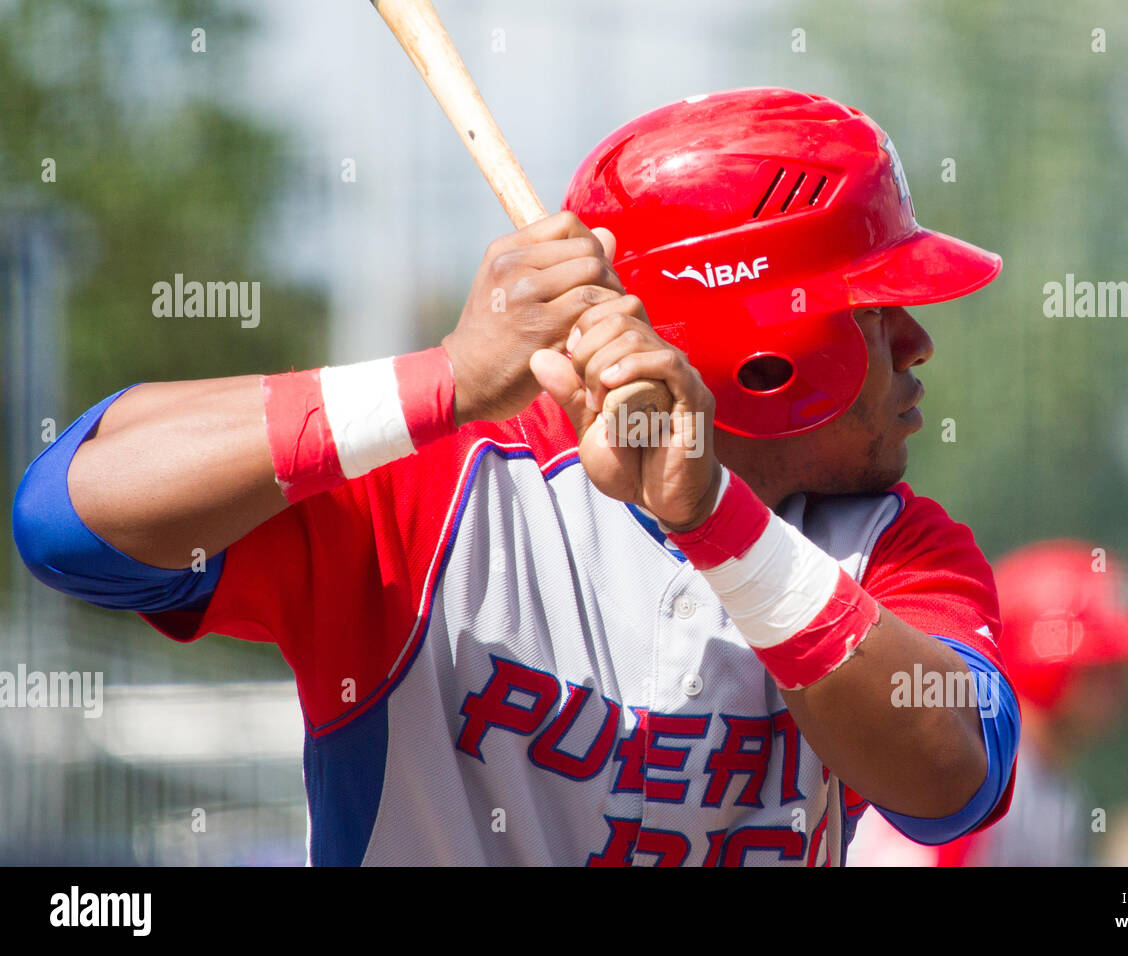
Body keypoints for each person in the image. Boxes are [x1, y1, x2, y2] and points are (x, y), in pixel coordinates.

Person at [13, 87, 1018, 866]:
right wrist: (442, 381)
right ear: (773, 348)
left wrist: (715, 517)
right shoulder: (432, 487)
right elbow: (70, 520)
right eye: (876, 310)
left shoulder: (893, 545)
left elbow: (949, 775)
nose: (917, 342)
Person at [847, 539, 1128, 866]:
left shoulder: (1054, 789)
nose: (1123, 684)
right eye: (1102, 667)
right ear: (1046, 665)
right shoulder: (980, 766)